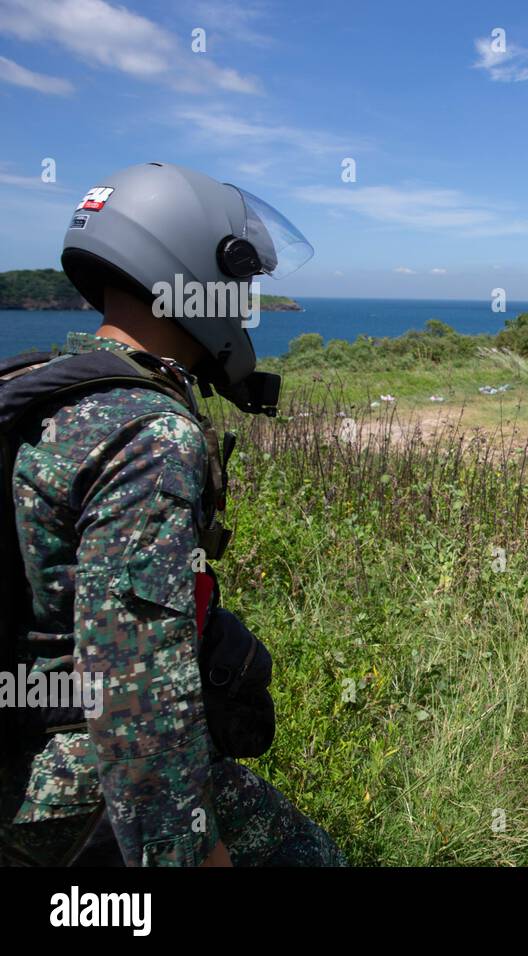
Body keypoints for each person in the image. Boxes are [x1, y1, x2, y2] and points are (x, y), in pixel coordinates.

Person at [0, 162, 344, 866]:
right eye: (241, 285)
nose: (244, 308)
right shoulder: (149, 431)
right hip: (66, 775)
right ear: (193, 272)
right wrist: (188, 851)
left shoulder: (42, 388)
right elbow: (135, 692)